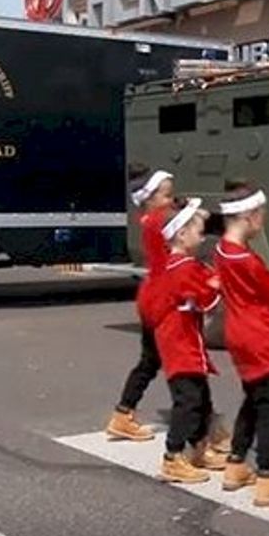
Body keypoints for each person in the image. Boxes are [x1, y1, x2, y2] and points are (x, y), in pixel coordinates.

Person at [213, 180, 269, 507]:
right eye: (261, 213)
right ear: (249, 216)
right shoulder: (247, 261)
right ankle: (268, 477)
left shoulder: (222, 250)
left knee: (252, 400)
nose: (263, 219)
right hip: (261, 338)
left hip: (239, 334)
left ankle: (236, 462)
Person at [144, 199, 227, 483]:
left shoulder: (177, 264)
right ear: (181, 234)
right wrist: (216, 284)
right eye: (198, 231)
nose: (202, 237)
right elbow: (208, 300)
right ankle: (172, 456)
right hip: (181, 345)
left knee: (201, 399)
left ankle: (200, 447)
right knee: (188, 402)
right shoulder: (183, 269)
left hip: (183, 343)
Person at [106, 165, 175, 441]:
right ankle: (202, 426)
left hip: (151, 297)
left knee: (151, 360)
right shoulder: (160, 221)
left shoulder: (148, 219)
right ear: (150, 198)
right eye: (167, 195)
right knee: (182, 363)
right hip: (163, 299)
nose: (172, 200)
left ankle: (123, 413)